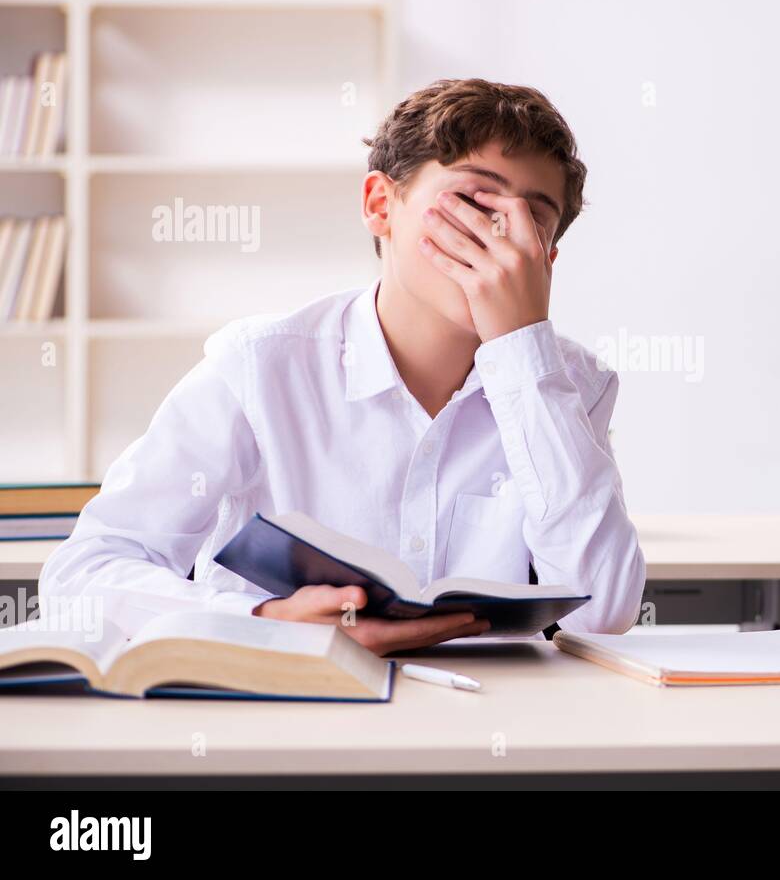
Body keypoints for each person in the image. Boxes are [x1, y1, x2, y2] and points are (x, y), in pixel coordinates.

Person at [39, 79, 646, 655]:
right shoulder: (261, 366)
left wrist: (520, 346)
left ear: (549, 257)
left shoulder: (571, 385)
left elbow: (603, 613)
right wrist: (265, 622)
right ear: (381, 205)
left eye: (531, 220)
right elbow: (82, 575)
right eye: (472, 200)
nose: (498, 240)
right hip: (282, 710)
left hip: (485, 724)